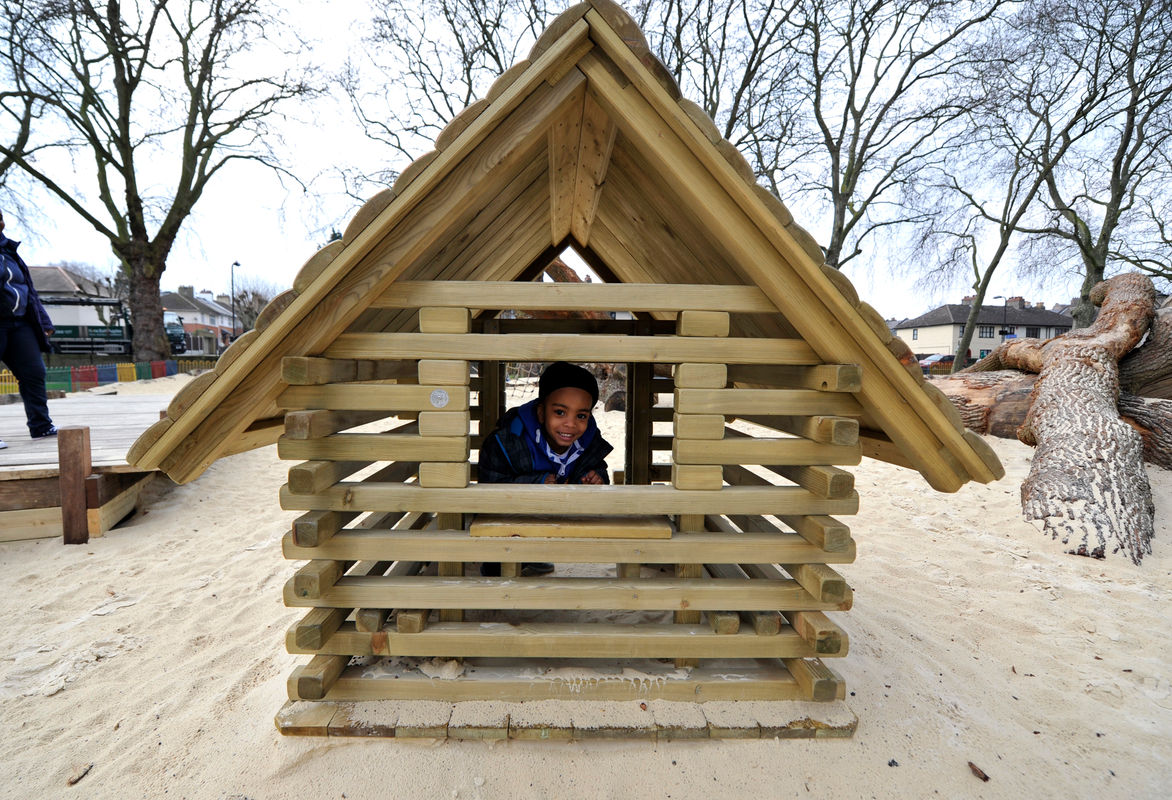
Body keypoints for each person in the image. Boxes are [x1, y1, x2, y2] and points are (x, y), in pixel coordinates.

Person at [477, 361, 614, 576]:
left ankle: (535, 555)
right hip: (509, 522)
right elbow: (488, 490)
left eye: (581, 416)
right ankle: (500, 561)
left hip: (555, 520)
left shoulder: (587, 440)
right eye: (560, 412)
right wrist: (537, 483)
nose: (570, 424)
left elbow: (595, 466)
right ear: (541, 413)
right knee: (498, 567)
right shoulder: (507, 441)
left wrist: (595, 477)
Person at [0, 210, 57, 450]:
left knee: (34, 372)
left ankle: (41, 425)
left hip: (20, 322)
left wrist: (44, 322)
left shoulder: (10, 251)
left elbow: (29, 291)